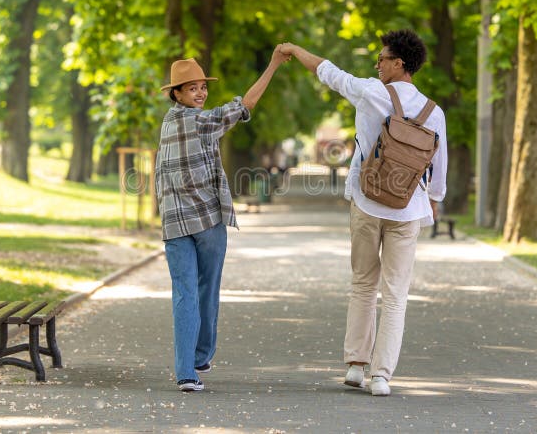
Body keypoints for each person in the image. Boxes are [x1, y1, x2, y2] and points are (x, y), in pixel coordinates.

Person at [281, 29, 447, 397]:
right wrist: (432, 201)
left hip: (368, 201)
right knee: (396, 294)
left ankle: (356, 366)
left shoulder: (372, 92)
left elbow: (327, 71)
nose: (377, 65)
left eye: (382, 59)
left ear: (398, 63)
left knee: (363, 283)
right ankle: (382, 376)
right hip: (408, 208)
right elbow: (439, 169)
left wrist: (294, 47)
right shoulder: (434, 112)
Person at [155, 48, 289, 392]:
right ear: (176, 94)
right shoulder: (202, 122)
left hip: (173, 222)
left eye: (203, 87)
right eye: (192, 88)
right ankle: (200, 356)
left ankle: (187, 370)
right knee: (206, 288)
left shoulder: (168, 122)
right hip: (207, 221)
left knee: (184, 293)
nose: (200, 93)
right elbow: (247, 104)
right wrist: (273, 63)